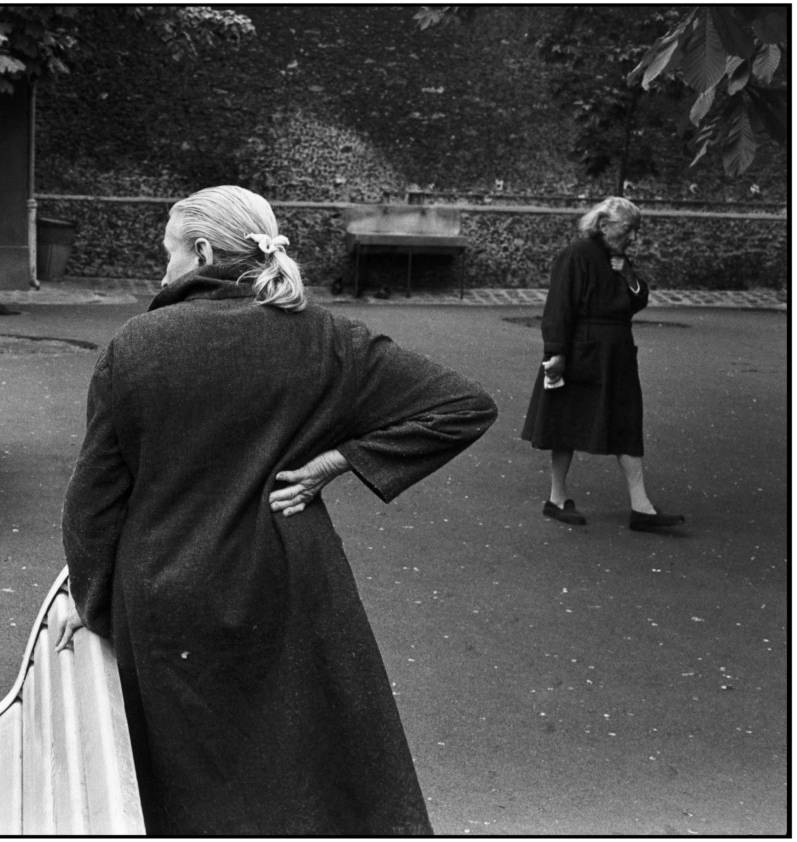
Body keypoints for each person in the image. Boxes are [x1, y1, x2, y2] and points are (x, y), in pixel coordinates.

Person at [52, 185, 498, 834]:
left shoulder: (138, 348)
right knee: (305, 784)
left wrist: (94, 605)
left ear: (203, 251)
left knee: (196, 794)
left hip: (168, 605)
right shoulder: (325, 341)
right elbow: (462, 406)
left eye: (167, 255)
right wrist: (337, 461)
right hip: (290, 596)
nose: (162, 271)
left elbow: (93, 506)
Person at [521, 196, 686, 531]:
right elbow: (559, 307)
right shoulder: (576, 254)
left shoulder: (618, 258)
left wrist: (627, 274)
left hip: (617, 353)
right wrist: (556, 353)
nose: (634, 238)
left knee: (626, 421)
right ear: (604, 224)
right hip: (583, 351)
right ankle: (556, 498)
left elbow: (636, 300)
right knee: (565, 422)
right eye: (629, 229)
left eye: (636, 231)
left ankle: (642, 507)